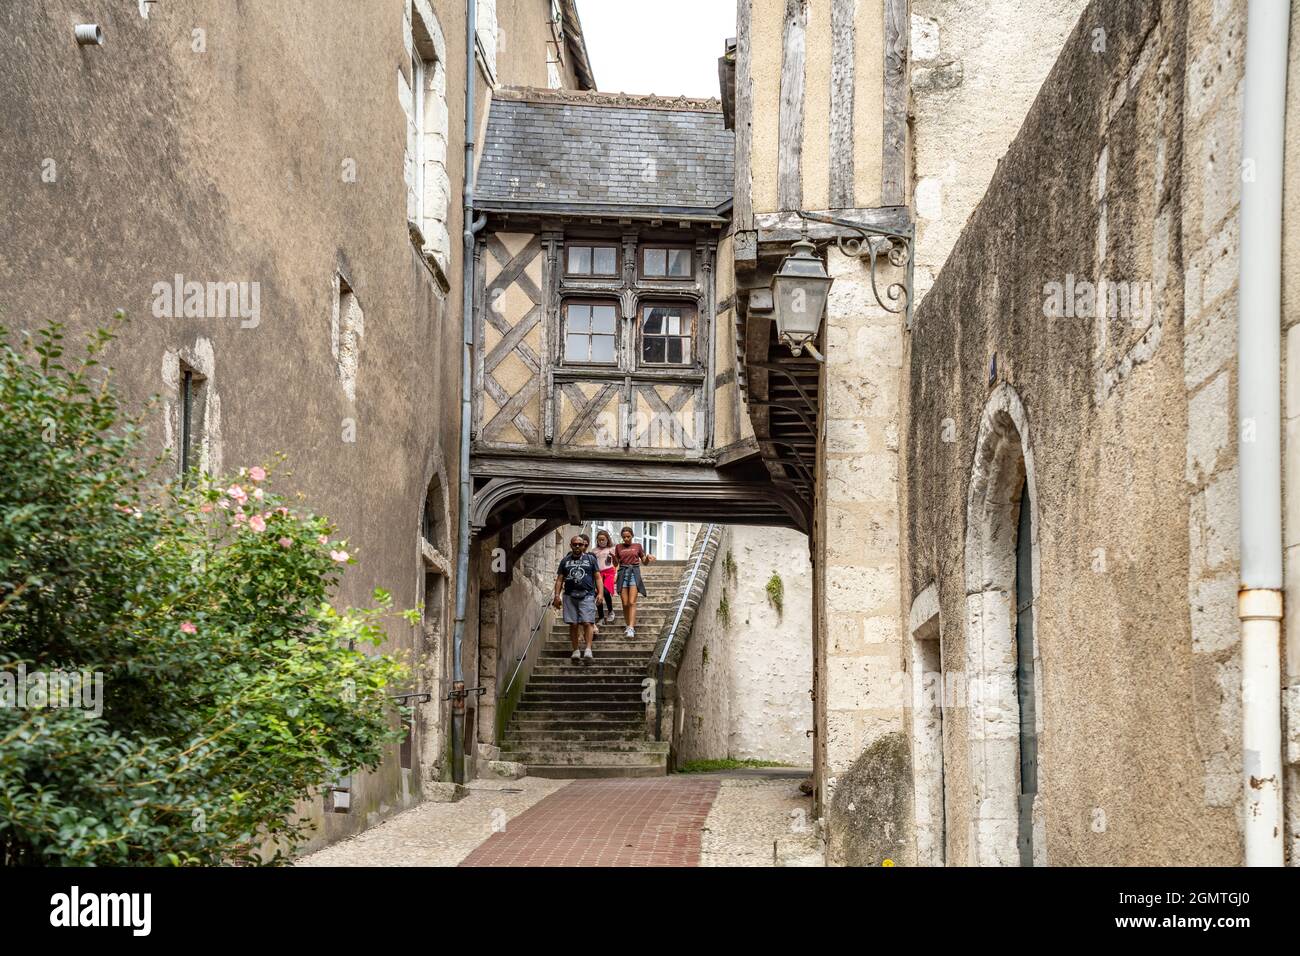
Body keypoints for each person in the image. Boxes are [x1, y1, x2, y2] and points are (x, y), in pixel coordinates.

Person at [553, 534, 600, 665]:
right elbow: (559, 579)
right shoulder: (565, 561)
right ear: (571, 545)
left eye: (580, 544)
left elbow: (597, 577)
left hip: (587, 594)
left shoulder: (590, 559)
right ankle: (576, 650)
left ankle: (588, 649)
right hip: (569, 595)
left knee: (587, 622)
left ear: (584, 545)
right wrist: (557, 596)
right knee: (573, 624)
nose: (578, 546)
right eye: (575, 544)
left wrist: (600, 593)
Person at [613, 525, 655, 638]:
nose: (626, 539)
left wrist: (648, 558)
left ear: (632, 536)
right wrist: (613, 557)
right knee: (625, 603)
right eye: (624, 537)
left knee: (632, 602)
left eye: (628, 537)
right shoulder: (618, 547)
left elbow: (644, 562)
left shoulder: (637, 546)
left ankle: (631, 627)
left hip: (634, 573)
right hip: (622, 573)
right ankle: (628, 625)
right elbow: (616, 564)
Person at [592, 529, 617, 625]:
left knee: (606, 591)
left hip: (609, 572)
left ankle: (611, 611)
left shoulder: (612, 549)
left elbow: (616, 563)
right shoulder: (594, 551)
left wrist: (616, 574)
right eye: (599, 540)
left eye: (603, 539)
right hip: (598, 573)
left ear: (607, 539)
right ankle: (601, 617)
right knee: (598, 593)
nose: (601, 542)